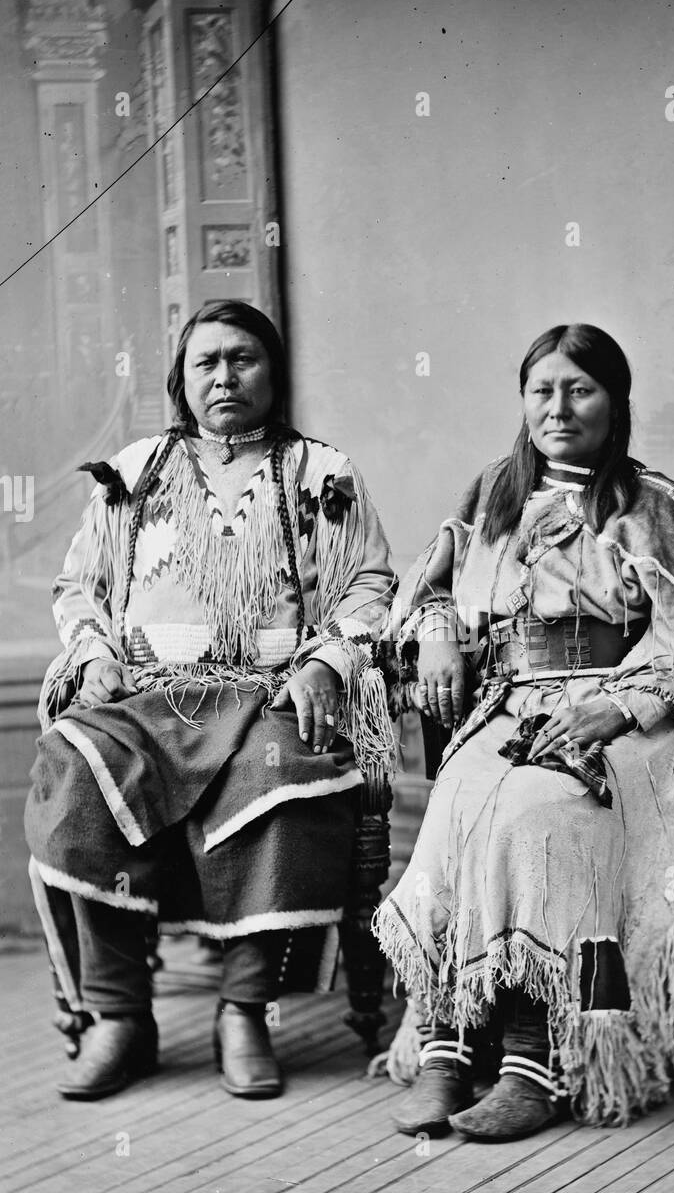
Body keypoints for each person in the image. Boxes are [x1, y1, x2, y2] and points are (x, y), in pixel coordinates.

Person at [373, 323, 674, 1140]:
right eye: (541, 390)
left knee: (540, 812)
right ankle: (452, 1043)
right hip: (512, 702)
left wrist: (620, 704)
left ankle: (538, 1056)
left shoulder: (651, 505)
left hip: (632, 720)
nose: (557, 408)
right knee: (461, 798)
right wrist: (441, 630)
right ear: (522, 401)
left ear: (615, 402)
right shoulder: (492, 496)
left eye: (579, 389)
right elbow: (423, 591)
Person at [26, 300, 397, 1101]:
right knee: (79, 769)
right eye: (207, 362)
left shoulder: (321, 473)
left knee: (280, 780)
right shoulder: (133, 472)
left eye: (244, 359)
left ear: (273, 370)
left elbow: (371, 582)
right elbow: (78, 587)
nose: (225, 376)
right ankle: (121, 1016)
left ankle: (244, 1010)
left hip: (271, 693)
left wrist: (326, 662)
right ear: (182, 378)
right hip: (148, 695)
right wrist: (92, 655)